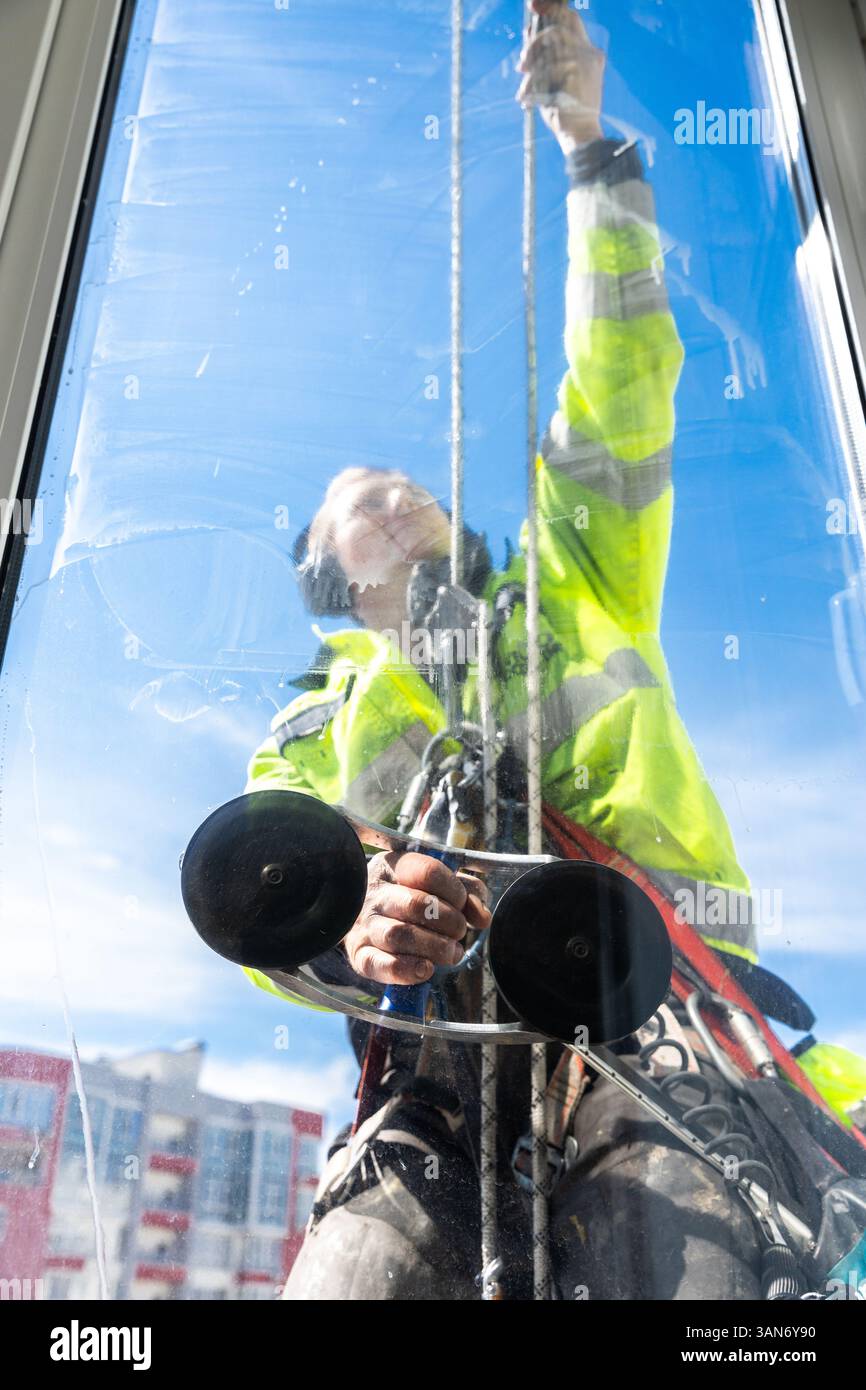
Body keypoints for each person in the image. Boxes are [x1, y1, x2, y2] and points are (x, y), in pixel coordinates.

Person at [245, 2, 763, 1299]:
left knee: (680, 1243)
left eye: (406, 477)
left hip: (653, 1012)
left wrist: (587, 146)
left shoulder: (574, 578)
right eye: (363, 493)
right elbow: (273, 896)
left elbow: (619, 380)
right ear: (330, 572)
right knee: (358, 1270)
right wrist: (352, 926)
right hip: (432, 1069)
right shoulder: (313, 731)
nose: (400, 489)